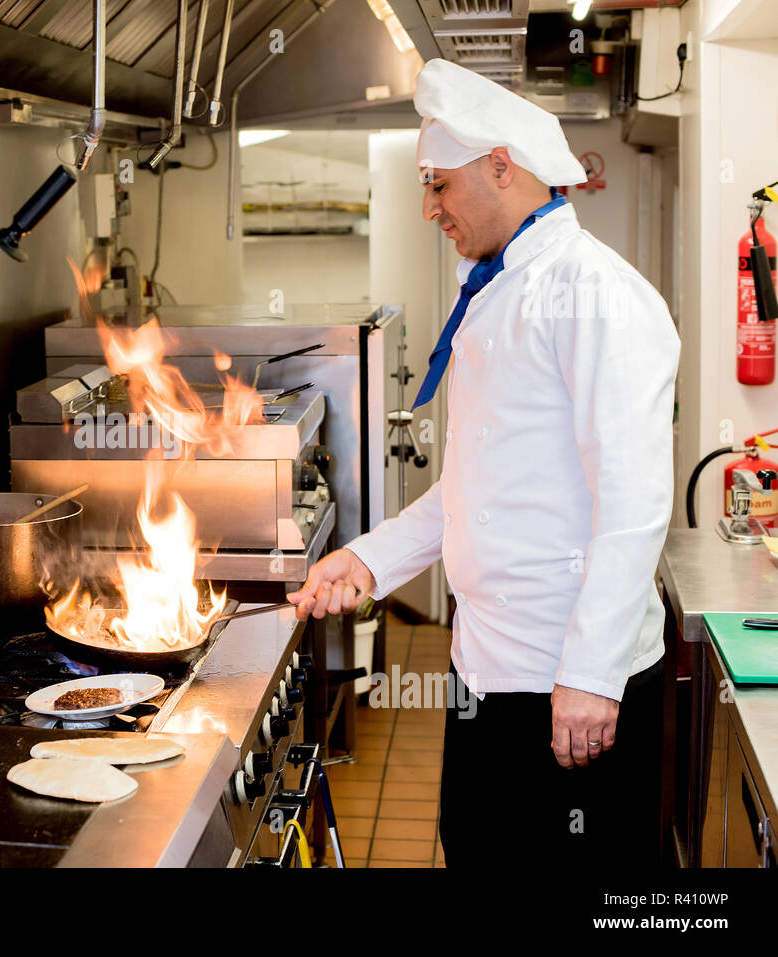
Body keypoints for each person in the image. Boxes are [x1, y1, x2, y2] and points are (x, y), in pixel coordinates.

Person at [288, 58, 679, 867]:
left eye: (439, 184)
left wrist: (594, 676)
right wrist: (369, 557)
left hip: (565, 682)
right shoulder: (495, 291)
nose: (429, 207)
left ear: (503, 166)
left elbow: (635, 501)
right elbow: (473, 493)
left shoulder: (597, 292)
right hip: (485, 671)